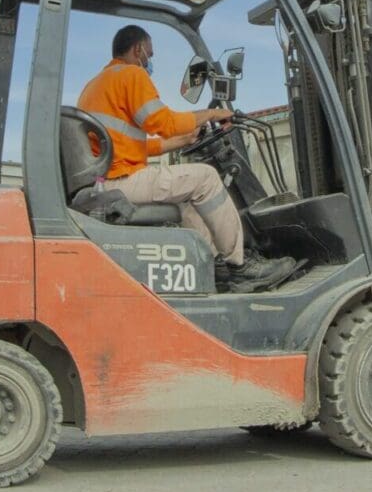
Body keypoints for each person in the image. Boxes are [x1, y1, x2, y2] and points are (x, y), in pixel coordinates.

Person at [77, 25, 301, 294]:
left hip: (107, 181)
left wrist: (184, 141)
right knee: (206, 177)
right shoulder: (131, 74)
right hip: (122, 181)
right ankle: (241, 267)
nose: (150, 60)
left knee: (188, 195)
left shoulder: (96, 85)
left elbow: (133, 145)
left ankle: (213, 265)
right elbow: (164, 122)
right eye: (150, 53)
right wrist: (209, 115)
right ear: (138, 50)